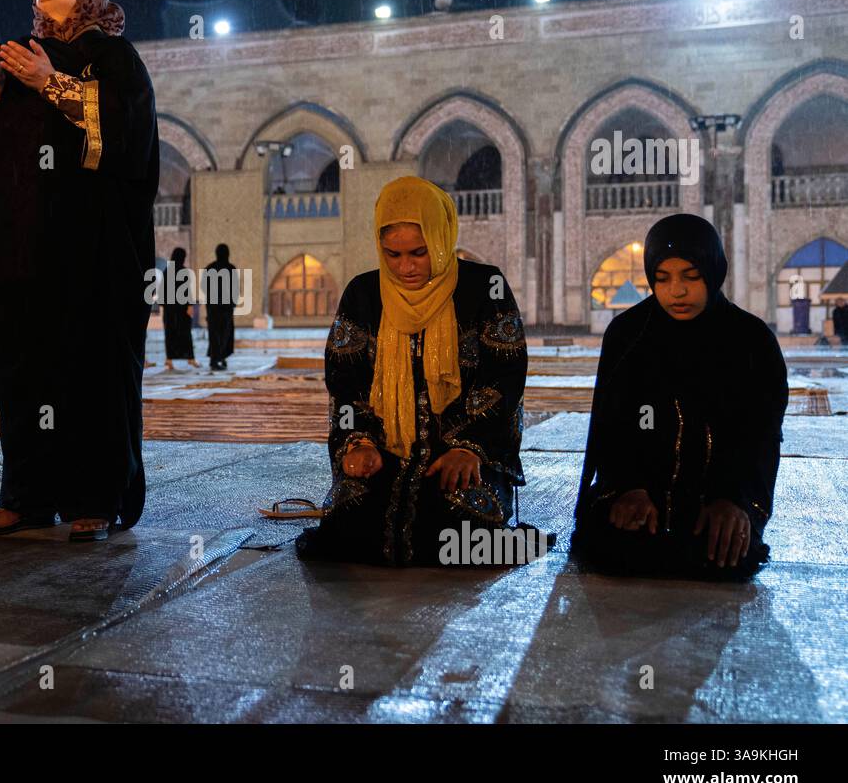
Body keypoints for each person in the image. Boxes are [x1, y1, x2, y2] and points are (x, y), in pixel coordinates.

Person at [0, 0, 159, 542]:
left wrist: (48, 83)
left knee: (91, 374)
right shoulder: (10, 58)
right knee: (22, 374)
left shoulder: (111, 56)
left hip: (90, 256)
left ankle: (97, 497)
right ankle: (27, 496)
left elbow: (128, 136)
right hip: (16, 256)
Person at [295, 176, 529, 566]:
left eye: (419, 253)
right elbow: (344, 380)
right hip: (383, 451)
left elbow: (506, 375)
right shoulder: (363, 293)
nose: (405, 267)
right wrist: (357, 443)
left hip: (462, 456)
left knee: (462, 530)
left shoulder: (484, 286)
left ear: (441, 238)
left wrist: (470, 448)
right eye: (393, 255)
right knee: (348, 526)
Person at [571, 213, 787, 579]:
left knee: (722, 551)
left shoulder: (751, 343)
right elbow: (612, 428)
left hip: (716, 501)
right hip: (642, 501)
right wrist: (627, 488)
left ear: (714, 272)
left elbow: (761, 438)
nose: (677, 291)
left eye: (691, 276)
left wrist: (736, 502)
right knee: (615, 546)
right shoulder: (629, 336)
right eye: (662, 278)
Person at [163, 246, 200, 371]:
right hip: (182, 310)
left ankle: (169, 360)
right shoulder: (183, 271)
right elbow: (187, 292)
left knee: (170, 334)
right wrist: (190, 306)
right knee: (185, 334)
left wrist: (165, 306)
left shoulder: (167, 271)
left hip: (170, 310)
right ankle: (190, 358)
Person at [203, 243, 238, 371]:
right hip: (225, 308)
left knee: (215, 334)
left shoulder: (210, 268)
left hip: (213, 308)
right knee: (225, 334)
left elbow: (204, 287)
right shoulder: (230, 268)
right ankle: (218, 358)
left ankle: (217, 358)